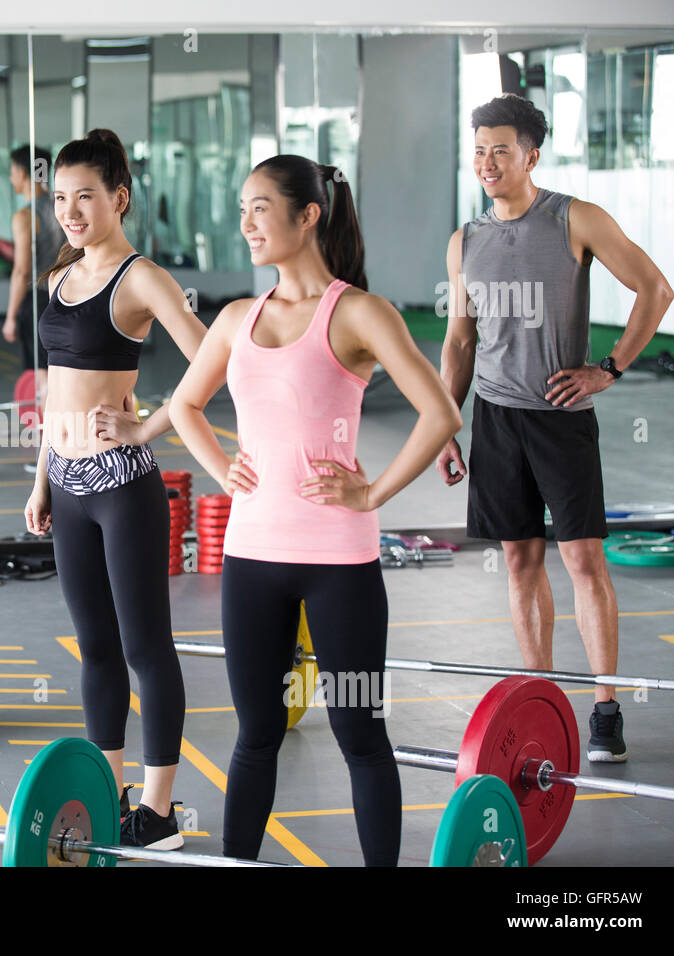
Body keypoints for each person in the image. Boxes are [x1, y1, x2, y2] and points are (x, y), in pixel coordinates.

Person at [169, 156, 462, 865]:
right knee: (256, 733)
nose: (246, 223)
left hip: (339, 561)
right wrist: (222, 469)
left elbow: (441, 411)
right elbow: (184, 404)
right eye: (242, 207)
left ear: (308, 216)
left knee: (360, 733)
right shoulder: (238, 317)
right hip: (250, 558)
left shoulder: (358, 312)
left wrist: (372, 493)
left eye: (261, 207)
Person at [436, 94, 674, 762]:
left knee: (584, 559)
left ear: (531, 154)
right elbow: (459, 341)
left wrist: (609, 368)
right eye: (479, 149)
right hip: (496, 419)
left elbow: (655, 289)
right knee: (519, 558)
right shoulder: (466, 242)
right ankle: (540, 700)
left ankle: (604, 710)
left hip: (562, 419)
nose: (487, 162)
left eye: (501, 150)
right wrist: (445, 426)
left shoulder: (576, 219)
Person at [24, 129, 207, 849]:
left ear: (118, 198)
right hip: (66, 485)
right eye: (60, 199)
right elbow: (54, 390)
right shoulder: (57, 279)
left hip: (122, 484)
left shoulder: (141, 277)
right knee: (95, 648)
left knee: (145, 648)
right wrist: (41, 479)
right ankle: (109, 794)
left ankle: (158, 814)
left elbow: (210, 360)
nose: (70, 211)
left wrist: (150, 426)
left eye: (85, 197)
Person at [2, 144, 65, 454]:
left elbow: (21, 271)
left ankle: (48, 453)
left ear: (24, 174)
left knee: (44, 381)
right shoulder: (66, 206)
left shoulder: (25, 215)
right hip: (69, 296)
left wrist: (11, 316)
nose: (11, 179)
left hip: (39, 300)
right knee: (66, 374)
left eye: (13, 172)